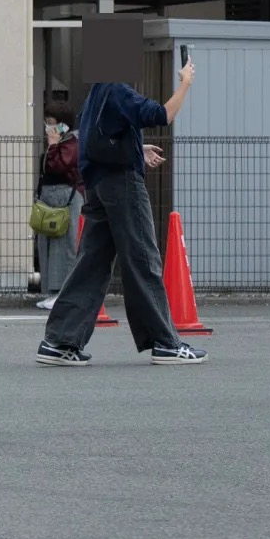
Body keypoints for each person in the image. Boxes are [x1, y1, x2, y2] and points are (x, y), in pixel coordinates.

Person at [38, 55, 203, 366]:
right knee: (143, 258)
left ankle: (59, 341)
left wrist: (138, 150)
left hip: (98, 187)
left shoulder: (96, 93)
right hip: (122, 185)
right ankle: (165, 342)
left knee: (92, 264)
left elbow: (93, 141)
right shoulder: (119, 89)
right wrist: (185, 82)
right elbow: (162, 114)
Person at [33, 101, 82, 310]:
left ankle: (62, 292)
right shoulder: (62, 142)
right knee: (48, 244)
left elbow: (58, 166)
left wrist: (53, 146)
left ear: (64, 125)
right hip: (51, 198)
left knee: (64, 245)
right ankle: (51, 292)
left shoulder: (72, 143)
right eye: (47, 123)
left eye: (53, 124)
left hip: (66, 199)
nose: (48, 129)